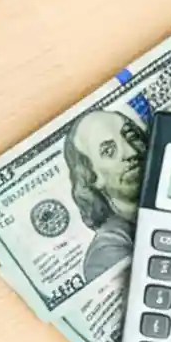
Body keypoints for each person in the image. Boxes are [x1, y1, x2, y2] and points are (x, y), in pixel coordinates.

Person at [62, 109, 148, 280]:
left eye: (132, 138)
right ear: (93, 177)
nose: (131, 152)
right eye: (108, 151)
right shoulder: (106, 252)